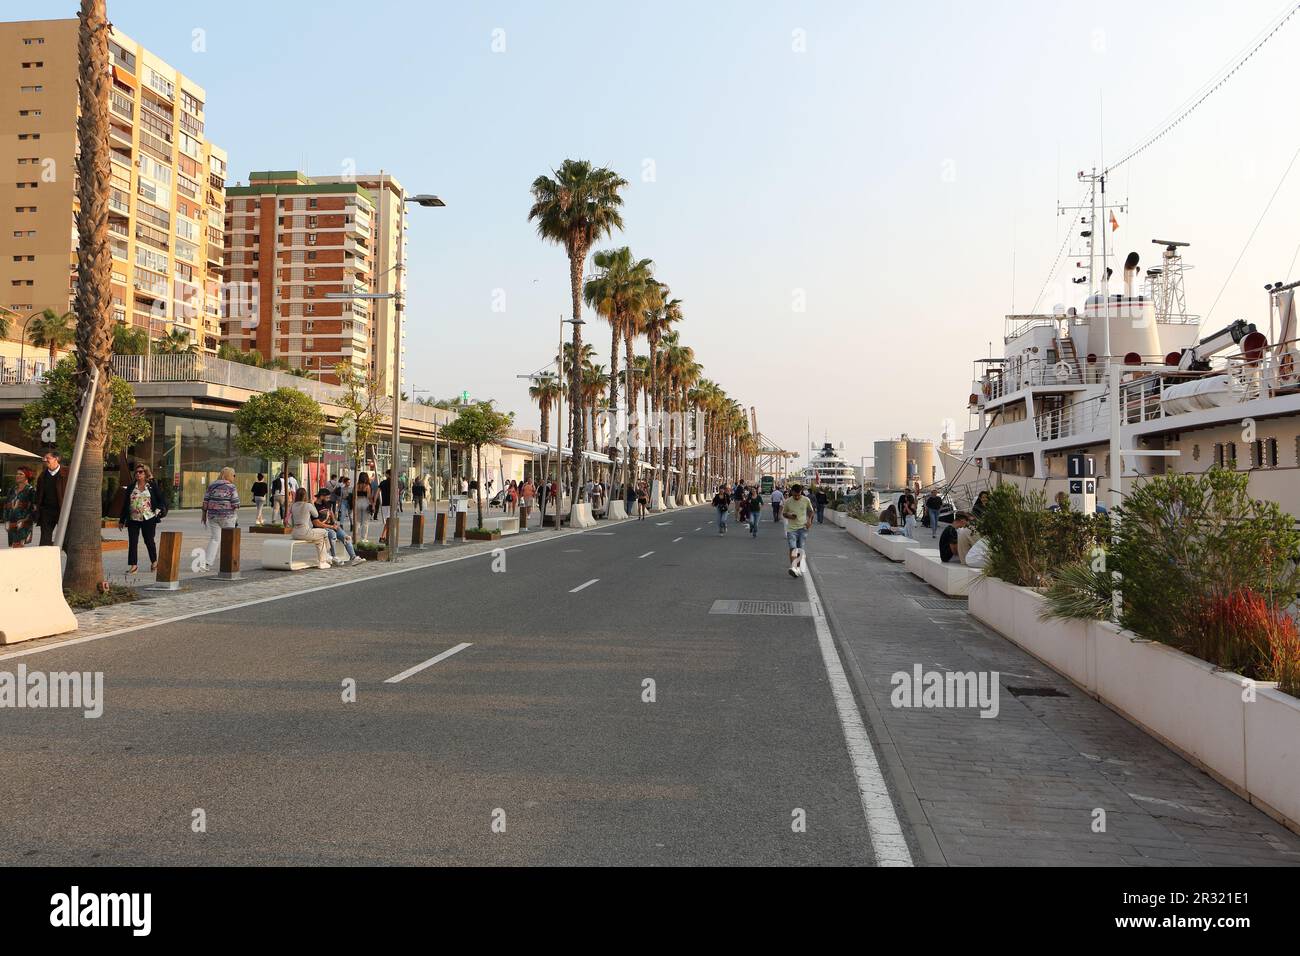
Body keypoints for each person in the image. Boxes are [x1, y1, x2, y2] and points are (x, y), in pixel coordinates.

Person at [118, 463, 167, 573]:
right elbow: (126, 504)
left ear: (145, 473)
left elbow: (161, 500)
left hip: (148, 518)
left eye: (141, 472)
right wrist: (122, 520)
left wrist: (158, 511)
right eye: (136, 472)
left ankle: (154, 562)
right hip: (133, 518)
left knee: (149, 541)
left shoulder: (151, 486)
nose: (138, 474)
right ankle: (133, 565)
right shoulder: (131, 487)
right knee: (133, 542)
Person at [201, 466, 240, 570]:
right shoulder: (231, 487)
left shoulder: (212, 485)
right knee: (229, 539)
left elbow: (205, 501)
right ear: (228, 475)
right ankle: (228, 563)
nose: (234, 477)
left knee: (215, 539)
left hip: (212, 516)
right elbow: (236, 503)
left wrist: (204, 515)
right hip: (227, 517)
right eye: (233, 475)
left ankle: (206, 563)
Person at [314, 488, 364, 565]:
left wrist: (335, 523)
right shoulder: (314, 506)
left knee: (346, 537)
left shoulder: (327, 503)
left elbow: (331, 514)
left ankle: (353, 557)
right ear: (321, 496)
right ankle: (334, 557)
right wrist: (331, 527)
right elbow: (316, 523)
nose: (328, 499)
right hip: (321, 528)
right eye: (327, 497)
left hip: (331, 526)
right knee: (332, 534)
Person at [288, 488, 331, 569]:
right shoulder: (308, 505)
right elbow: (316, 515)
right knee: (324, 532)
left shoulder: (293, 505)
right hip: (305, 531)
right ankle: (327, 554)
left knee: (320, 540)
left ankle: (323, 560)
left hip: (294, 533)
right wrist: (312, 504)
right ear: (305, 495)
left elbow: (290, 521)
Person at [33, 449, 67, 547]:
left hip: (62, 511)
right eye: (44, 458)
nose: (45, 460)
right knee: (45, 539)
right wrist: (37, 506)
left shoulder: (67, 473)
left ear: (56, 459)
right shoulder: (42, 475)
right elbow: (39, 492)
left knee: (67, 538)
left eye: (48, 458)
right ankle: (45, 558)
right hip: (46, 512)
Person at [782, 483, 814, 577]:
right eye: (795, 495)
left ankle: (798, 567)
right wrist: (789, 516)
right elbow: (784, 514)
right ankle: (793, 567)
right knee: (793, 548)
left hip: (803, 528)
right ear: (791, 492)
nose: (797, 497)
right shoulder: (788, 501)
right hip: (791, 529)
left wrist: (809, 521)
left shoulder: (806, 500)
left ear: (801, 492)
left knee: (800, 549)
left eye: (798, 495)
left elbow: (811, 511)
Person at [5, 466, 37, 548]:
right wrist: (6, 520)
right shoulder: (12, 490)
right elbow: (6, 506)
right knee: (13, 547)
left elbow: (33, 509)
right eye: (17, 474)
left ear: (27, 476)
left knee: (19, 547)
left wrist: (25, 519)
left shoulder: (31, 490)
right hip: (11, 522)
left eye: (21, 474)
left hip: (23, 523)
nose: (17, 476)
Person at [354, 471, 372, 541]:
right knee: (365, 522)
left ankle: (355, 536)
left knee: (357, 521)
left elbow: (354, 496)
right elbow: (369, 497)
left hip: (357, 502)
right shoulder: (367, 486)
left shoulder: (356, 485)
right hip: (365, 502)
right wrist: (372, 505)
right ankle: (364, 538)